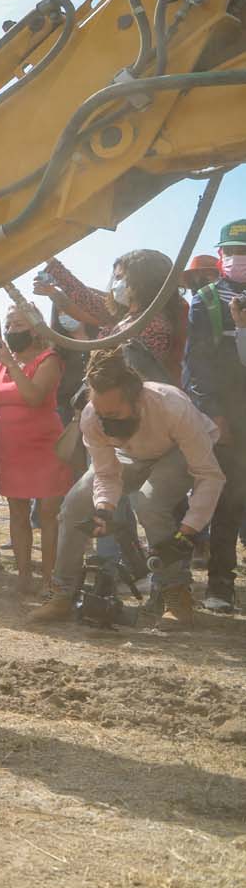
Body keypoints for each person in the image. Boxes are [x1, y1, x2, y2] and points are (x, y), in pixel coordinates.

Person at [31, 346, 224, 627]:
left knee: (148, 502)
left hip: (176, 451)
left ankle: (176, 595)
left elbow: (209, 475)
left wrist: (187, 532)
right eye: (101, 412)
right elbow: (107, 475)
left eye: (114, 413)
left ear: (137, 400)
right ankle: (62, 594)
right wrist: (104, 510)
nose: (105, 419)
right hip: (131, 454)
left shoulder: (172, 406)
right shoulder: (91, 417)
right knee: (74, 504)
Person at [0, 305, 73, 593]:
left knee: (48, 514)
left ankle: (49, 579)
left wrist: (9, 364)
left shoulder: (49, 359)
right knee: (17, 513)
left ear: (35, 328)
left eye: (18, 324)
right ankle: (23, 577)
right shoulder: (2, 361)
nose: (11, 330)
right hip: (11, 448)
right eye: (8, 325)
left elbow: (33, 397)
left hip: (45, 446)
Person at [183, 217, 246, 610]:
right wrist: (215, 415)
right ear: (221, 254)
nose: (239, 259)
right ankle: (220, 584)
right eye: (234, 252)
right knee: (227, 498)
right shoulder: (206, 299)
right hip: (228, 417)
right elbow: (197, 365)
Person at [36, 250, 186, 383]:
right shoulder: (124, 317)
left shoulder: (153, 325)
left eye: (121, 278)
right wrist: (50, 262)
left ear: (142, 281)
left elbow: (132, 377)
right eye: (115, 278)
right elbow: (86, 298)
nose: (116, 284)